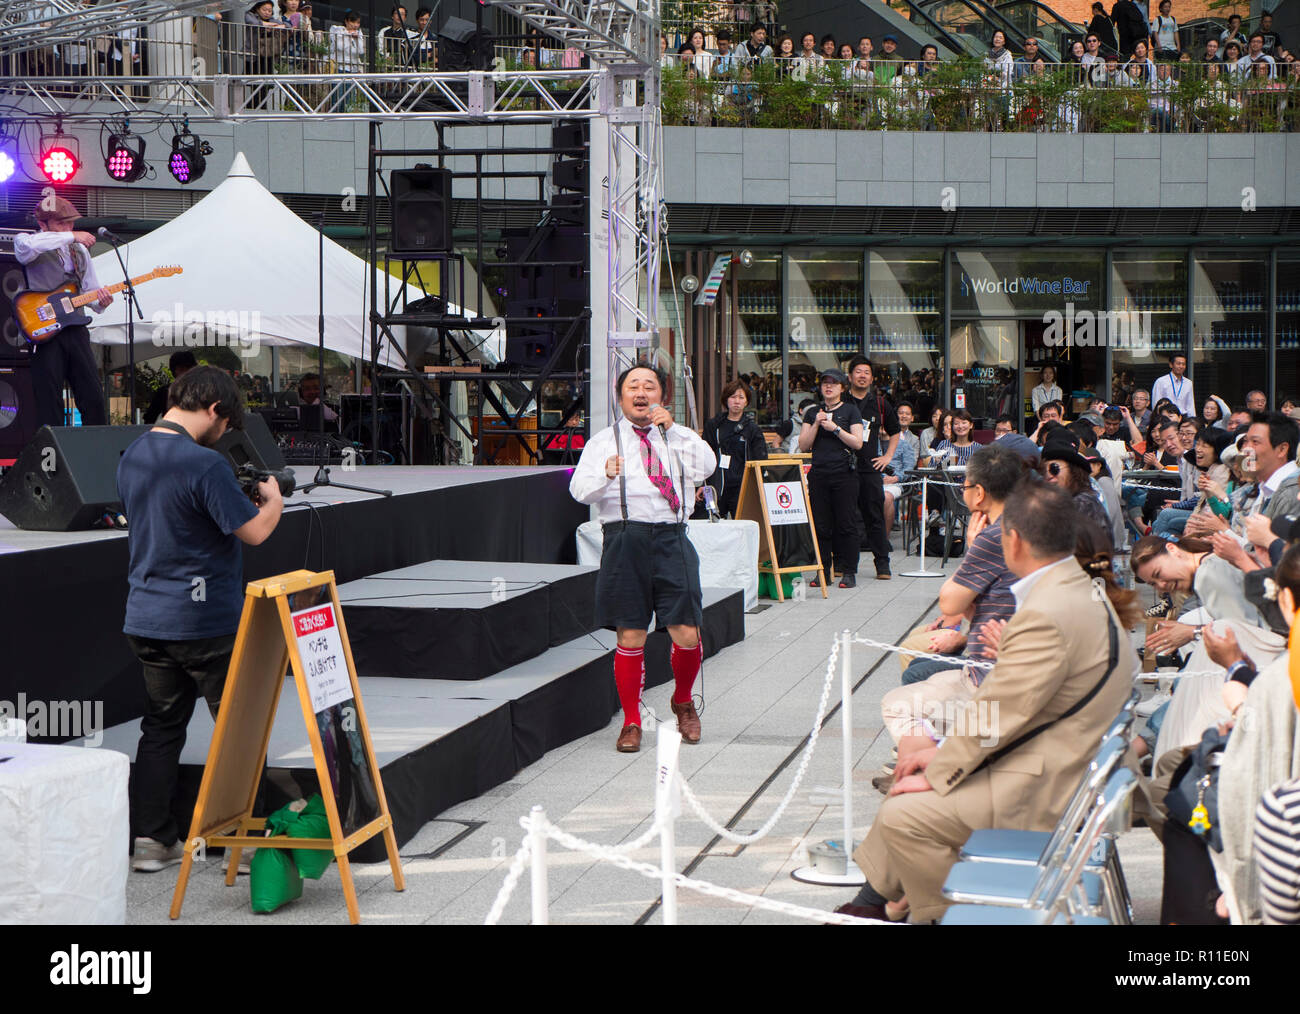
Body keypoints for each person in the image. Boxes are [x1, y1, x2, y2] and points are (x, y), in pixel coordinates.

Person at [835, 479, 1136, 923]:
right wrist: (940, 758)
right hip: (1059, 761)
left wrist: (939, 769)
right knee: (907, 790)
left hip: (1042, 784)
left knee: (904, 813)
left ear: (1013, 540)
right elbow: (1005, 705)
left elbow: (1000, 710)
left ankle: (942, 913)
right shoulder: (1076, 591)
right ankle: (875, 903)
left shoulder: (1047, 611)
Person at [119, 366, 284, 871]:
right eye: (226, 422)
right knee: (236, 726)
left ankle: (151, 841)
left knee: (161, 728)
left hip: (146, 617)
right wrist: (273, 501)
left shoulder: (132, 455)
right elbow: (254, 532)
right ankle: (251, 838)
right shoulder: (205, 464)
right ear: (213, 409)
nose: (225, 432)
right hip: (204, 621)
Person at [568, 364, 715, 754]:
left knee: (687, 632)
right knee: (630, 633)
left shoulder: (679, 436)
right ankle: (631, 720)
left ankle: (682, 700)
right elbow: (579, 490)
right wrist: (604, 473)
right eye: (633, 385)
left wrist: (676, 431)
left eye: (649, 386)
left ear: (661, 397)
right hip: (624, 539)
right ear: (621, 396)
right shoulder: (603, 441)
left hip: (672, 537)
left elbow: (707, 467)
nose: (641, 392)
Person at [14, 197, 112, 428]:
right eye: (61, 223)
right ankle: (53, 454)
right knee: (50, 398)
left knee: (92, 395)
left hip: (75, 326)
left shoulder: (79, 250)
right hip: (45, 329)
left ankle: (95, 447)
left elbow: (90, 291)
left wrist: (102, 301)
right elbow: (27, 248)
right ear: (43, 223)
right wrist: (71, 236)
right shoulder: (27, 241)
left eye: (70, 224)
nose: (68, 229)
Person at [799, 368, 864, 589]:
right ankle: (823, 570)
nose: (828, 387)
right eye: (825, 383)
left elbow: (858, 442)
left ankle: (848, 571)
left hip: (844, 474)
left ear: (842, 388)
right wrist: (817, 423)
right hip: (818, 473)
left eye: (833, 384)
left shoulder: (851, 410)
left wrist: (835, 428)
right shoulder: (812, 413)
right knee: (821, 525)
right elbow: (803, 445)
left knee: (846, 523)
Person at [846, 356, 900, 580]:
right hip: (844, 468)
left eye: (866, 372)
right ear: (849, 376)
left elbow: (895, 430)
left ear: (871, 378)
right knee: (845, 518)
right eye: (858, 372)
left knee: (874, 517)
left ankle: (882, 564)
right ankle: (844, 564)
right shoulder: (841, 401)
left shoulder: (879, 403)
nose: (862, 376)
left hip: (870, 468)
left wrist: (887, 456)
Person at [700, 379, 767, 519]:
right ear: (726, 400)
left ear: (746, 401)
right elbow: (704, 456)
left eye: (741, 397)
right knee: (715, 528)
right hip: (717, 486)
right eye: (733, 397)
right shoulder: (714, 426)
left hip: (742, 488)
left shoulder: (752, 429)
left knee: (743, 526)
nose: (737, 401)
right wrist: (702, 484)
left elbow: (761, 459)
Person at [143, 350, 198, 425]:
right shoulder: (164, 392)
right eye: (181, 369)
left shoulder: (201, 391)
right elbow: (149, 419)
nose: (186, 373)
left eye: (189, 369)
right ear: (174, 371)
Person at [1151, 351, 1194, 416]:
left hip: (1183, 417)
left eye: (1183, 364)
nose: (1181, 366)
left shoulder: (1188, 383)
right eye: (1178, 364)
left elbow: (1190, 406)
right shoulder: (1161, 381)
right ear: (1171, 365)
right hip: (1166, 417)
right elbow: (1156, 404)